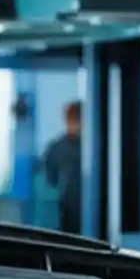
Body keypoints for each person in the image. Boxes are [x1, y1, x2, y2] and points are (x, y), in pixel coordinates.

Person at [42, 100, 82, 235]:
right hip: (66, 209)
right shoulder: (56, 148)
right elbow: (50, 181)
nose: (74, 122)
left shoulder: (93, 148)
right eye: (72, 118)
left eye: (77, 118)